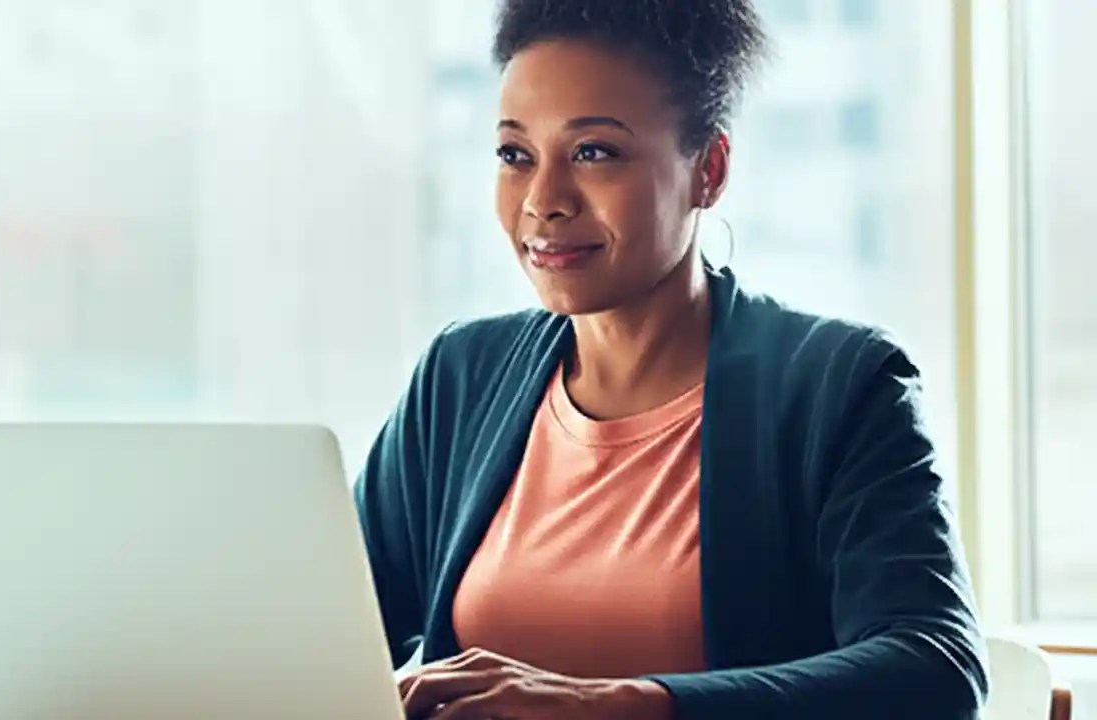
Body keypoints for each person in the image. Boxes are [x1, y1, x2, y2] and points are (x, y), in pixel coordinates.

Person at [353, 1, 988, 718]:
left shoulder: (840, 386)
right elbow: (331, 624)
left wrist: (620, 705)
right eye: (515, 155)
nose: (543, 200)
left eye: (595, 152)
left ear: (708, 170)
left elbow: (934, 669)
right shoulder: (461, 376)